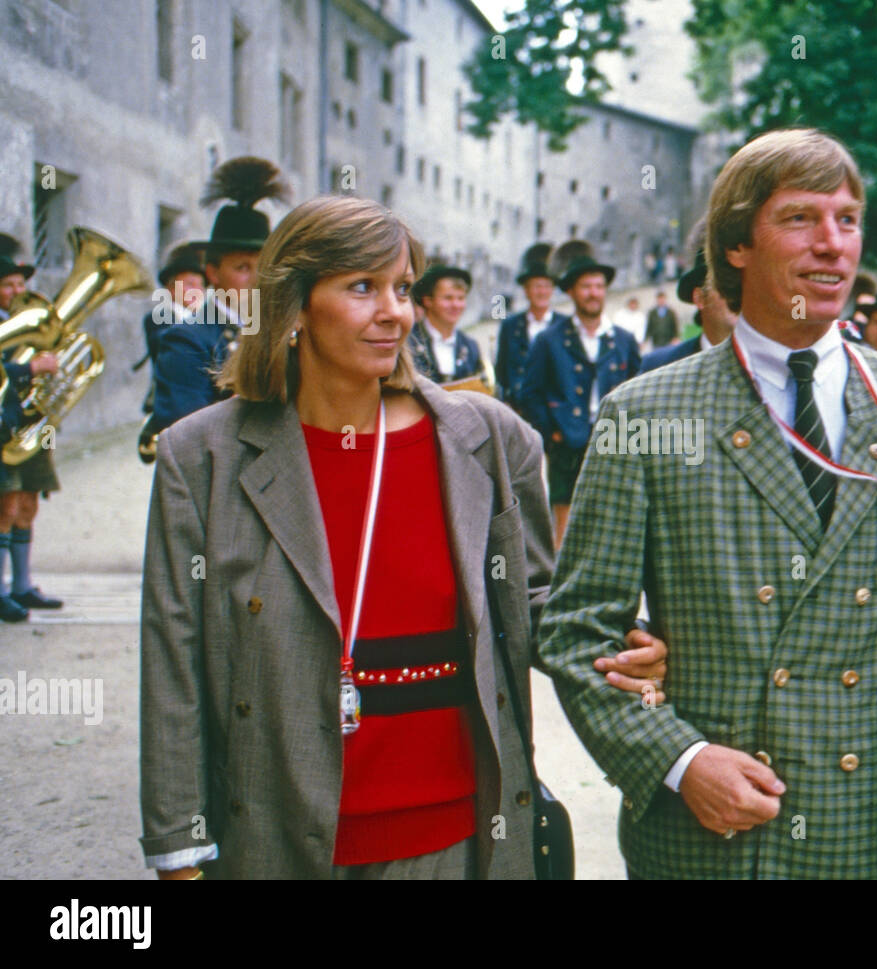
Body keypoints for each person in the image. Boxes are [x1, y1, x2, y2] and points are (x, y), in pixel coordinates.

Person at [139, 195, 655, 880]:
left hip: (456, 832)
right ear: (294, 305)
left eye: (403, 288)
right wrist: (179, 847)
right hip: (280, 832)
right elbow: (174, 655)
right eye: (362, 287)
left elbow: (534, 604)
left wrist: (618, 642)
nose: (396, 311)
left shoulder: (484, 440)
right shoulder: (202, 455)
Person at [538, 128, 877, 879]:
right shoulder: (649, 412)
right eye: (801, 218)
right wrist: (678, 757)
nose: (833, 244)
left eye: (848, 219)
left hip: (861, 832)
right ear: (736, 244)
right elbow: (576, 633)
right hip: (708, 838)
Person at [152, 157, 288, 434]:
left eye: (263, 266)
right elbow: (187, 435)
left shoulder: (278, 329)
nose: (257, 279)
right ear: (212, 273)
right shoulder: (186, 340)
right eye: (242, 267)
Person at [518, 240, 639, 544]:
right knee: (566, 529)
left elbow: (639, 391)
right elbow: (529, 394)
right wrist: (552, 431)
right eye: (586, 286)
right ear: (571, 291)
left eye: (599, 286)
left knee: (612, 523)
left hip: (614, 444)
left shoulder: (623, 340)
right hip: (567, 446)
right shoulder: (549, 340)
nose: (593, 293)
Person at [0, 246, 62, 621]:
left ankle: (22, 585)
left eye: (20, 284)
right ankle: (2, 590)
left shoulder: (26, 321)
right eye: (8, 285)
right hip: (3, 424)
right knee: (4, 506)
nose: (17, 291)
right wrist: (31, 368)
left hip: (29, 424)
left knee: (27, 503)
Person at [137, 243, 207, 463]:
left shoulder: (211, 322)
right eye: (188, 285)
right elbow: (167, 347)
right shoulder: (158, 319)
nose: (196, 291)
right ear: (170, 289)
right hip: (170, 406)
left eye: (200, 285)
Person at [495, 245, 570, 410]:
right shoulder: (510, 326)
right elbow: (502, 371)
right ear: (526, 290)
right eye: (536, 286)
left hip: (553, 410)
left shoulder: (565, 325)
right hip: (519, 407)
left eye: (546, 286)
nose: (542, 292)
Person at [641, 249, 737, 372]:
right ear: (700, 298)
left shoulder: (767, 367)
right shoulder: (660, 367)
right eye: (727, 283)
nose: (740, 295)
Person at [406, 263, 486, 385]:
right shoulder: (408, 342)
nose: (456, 305)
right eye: (448, 298)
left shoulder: (470, 346)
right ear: (428, 301)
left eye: (461, 298)